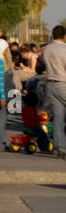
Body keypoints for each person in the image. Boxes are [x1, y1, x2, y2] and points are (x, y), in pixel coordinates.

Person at [41, 25, 66, 160]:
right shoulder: (64, 49)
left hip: (50, 84)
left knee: (58, 118)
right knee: (59, 118)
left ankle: (59, 148)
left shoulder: (47, 49)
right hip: (63, 83)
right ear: (65, 36)